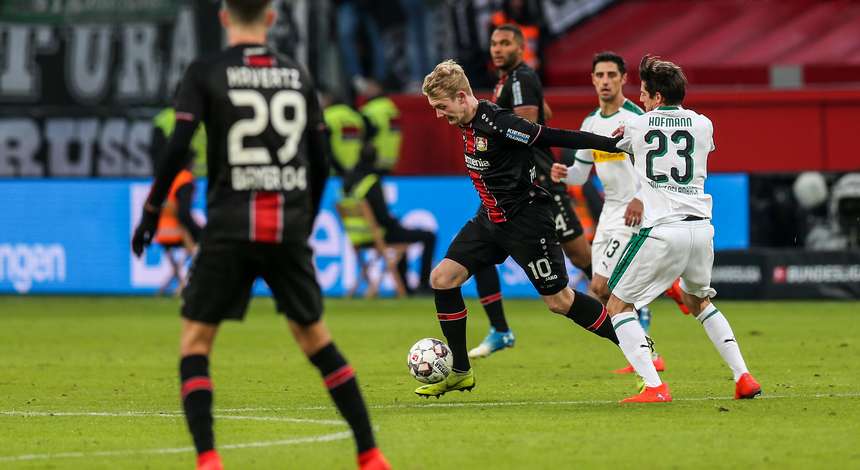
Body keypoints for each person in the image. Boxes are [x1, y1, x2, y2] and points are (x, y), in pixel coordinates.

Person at [130, 2, 390, 469]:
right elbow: (321, 161)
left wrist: (152, 210)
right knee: (316, 340)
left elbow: (178, 147)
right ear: (271, 19)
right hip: (286, 227)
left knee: (195, 343)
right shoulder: (297, 73)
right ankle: (369, 453)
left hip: (229, 224)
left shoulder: (206, 71)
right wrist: (303, 224)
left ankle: (208, 458)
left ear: (225, 16)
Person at [554, 55, 762, 403]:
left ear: (658, 98)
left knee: (617, 305)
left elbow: (616, 143)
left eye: (646, 95)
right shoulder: (703, 123)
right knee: (701, 302)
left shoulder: (637, 126)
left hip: (662, 229)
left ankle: (654, 386)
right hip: (701, 229)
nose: (642, 101)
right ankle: (743, 377)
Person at [415, 59, 624, 398]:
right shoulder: (464, 121)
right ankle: (460, 372)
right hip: (490, 220)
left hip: (526, 221)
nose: (440, 115)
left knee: (559, 301)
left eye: (441, 107)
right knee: (442, 278)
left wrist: (610, 144)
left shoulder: (499, 123)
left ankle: (634, 344)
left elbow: (552, 134)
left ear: (461, 96)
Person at [468, 24, 592, 359]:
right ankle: (499, 330)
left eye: (505, 43)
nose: (497, 49)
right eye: (494, 43)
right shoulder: (510, 81)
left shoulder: (521, 78)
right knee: (478, 252)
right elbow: (545, 113)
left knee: (582, 257)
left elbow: (526, 125)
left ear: (520, 48)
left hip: (540, 185)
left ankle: (631, 311)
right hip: (522, 186)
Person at [553, 51, 679, 374]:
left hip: (636, 209)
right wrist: (562, 174)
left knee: (608, 284)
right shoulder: (590, 123)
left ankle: (647, 351)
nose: (606, 81)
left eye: (612, 75)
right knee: (600, 289)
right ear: (592, 80)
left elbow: (656, 169)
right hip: (610, 212)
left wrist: (640, 198)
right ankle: (663, 293)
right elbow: (581, 175)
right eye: (600, 75)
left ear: (624, 79)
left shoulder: (638, 117)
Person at [341, 149, 436, 292]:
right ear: (375, 160)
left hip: (357, 236)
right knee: (429, 236)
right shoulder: (371, 181)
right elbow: (383, 218)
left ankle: (404, 287)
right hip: (377, 235)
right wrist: (396, 223)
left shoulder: (347, 183)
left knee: (402, 237)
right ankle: (423, 285)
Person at [153, 165, 201, 296]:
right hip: (177, 233)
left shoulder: (166, 179)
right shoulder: (184, 180)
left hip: (161, 233)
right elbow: (182, 214)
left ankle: (175, 286)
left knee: (190, 248)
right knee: (198, 249)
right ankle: (184, 286)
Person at [359, 80, 402, 175]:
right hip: (391, 161)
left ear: (378, 89)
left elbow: (367, 134)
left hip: (374, 160)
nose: (366, 90)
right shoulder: (392, 108)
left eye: (369, 87)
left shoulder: (370, 110)